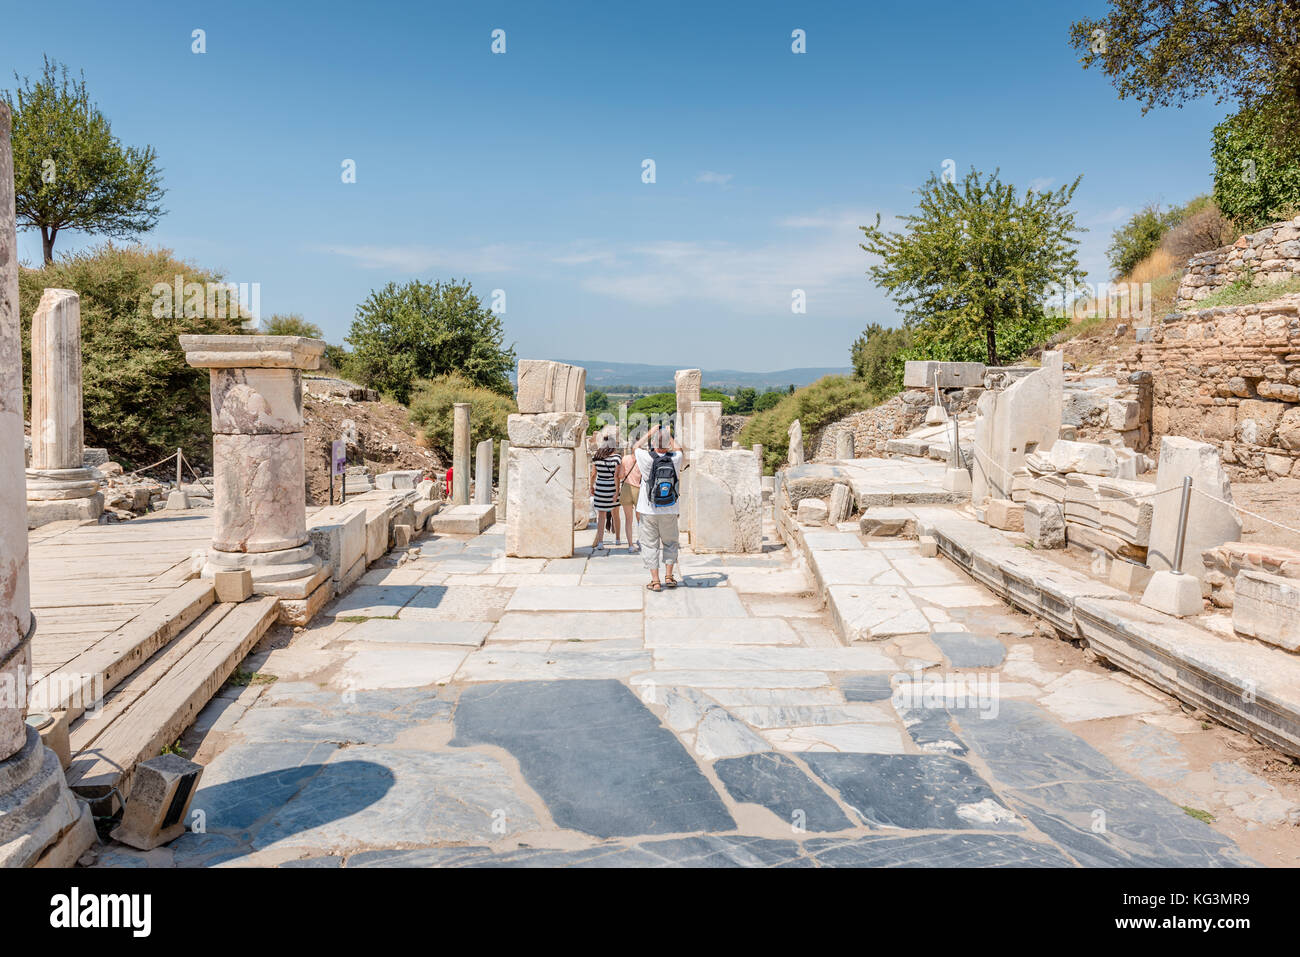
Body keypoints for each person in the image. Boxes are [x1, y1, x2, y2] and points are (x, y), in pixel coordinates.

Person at [634, 424, 683, 592]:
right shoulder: (676, 458)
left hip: (648, 509)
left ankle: (655, 581)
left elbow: (635, 446)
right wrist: (668, 434)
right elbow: (679, 448)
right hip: (670, 508)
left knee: (649, 545)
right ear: (668, 444)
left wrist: (651, 431)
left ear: (653, 443)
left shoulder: (645, 458)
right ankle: (669, 576)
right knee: (670, 542)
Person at [590, 436, 623, 551]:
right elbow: (617, 476)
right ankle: (618, 539)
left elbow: (593, 475)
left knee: (601, 516)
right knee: (616, 515)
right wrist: (617, 491)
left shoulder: (597, 457)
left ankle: (600, 542)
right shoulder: (617, 458)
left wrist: (591, 487)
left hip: (600, 488)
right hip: (612, 489)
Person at [619, 444, 641, 552]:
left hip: (626, 488)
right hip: (638, 489)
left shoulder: (625, 458)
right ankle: (641, 541)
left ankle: (630, 545)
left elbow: (621, 475)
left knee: (628, 519)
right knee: (640, 519)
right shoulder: (642, 459)